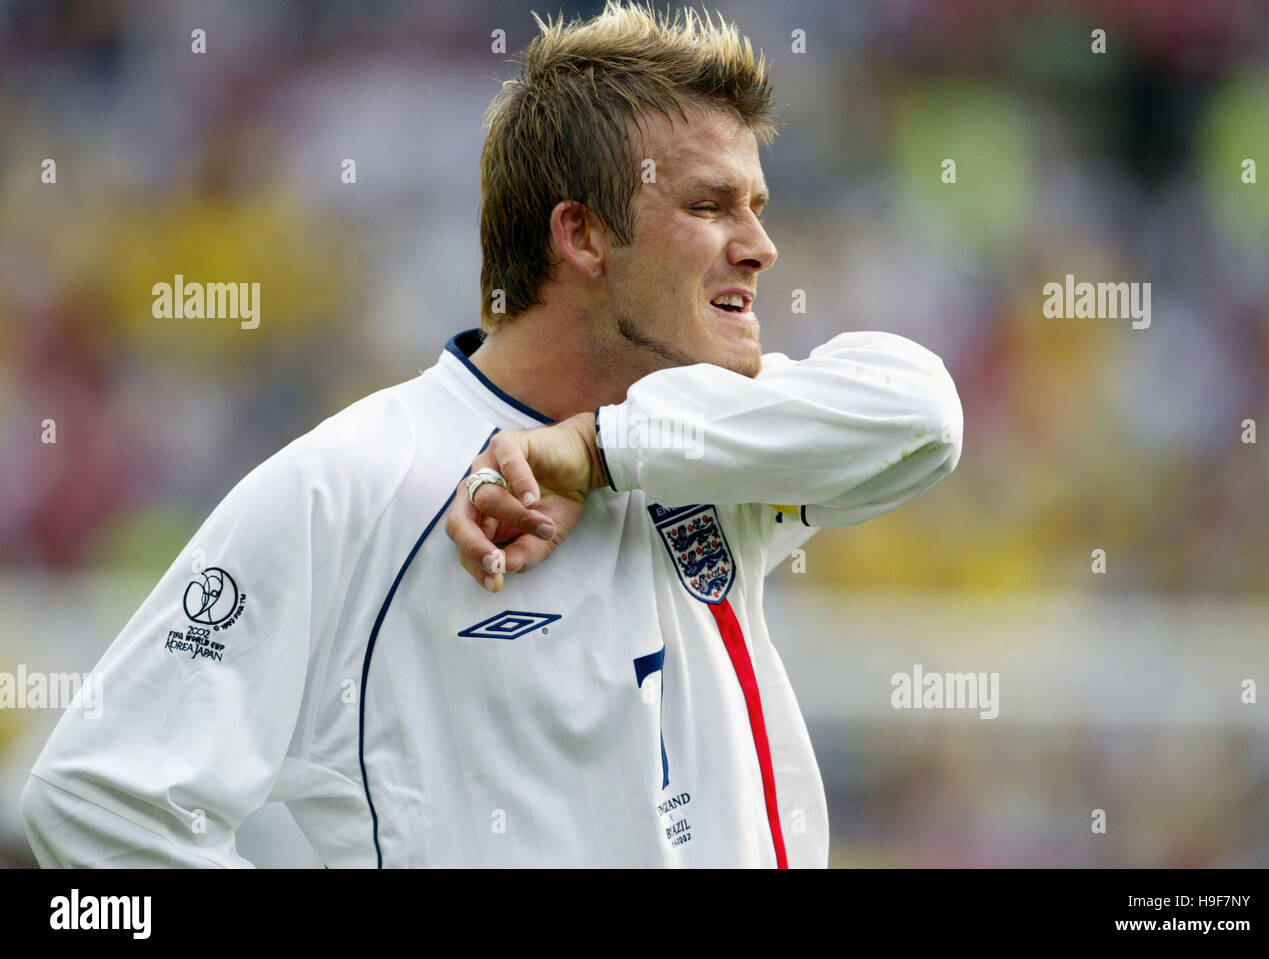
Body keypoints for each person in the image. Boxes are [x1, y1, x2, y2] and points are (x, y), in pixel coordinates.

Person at [20, 1, 962, 868]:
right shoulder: (356, 480)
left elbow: (924, 417)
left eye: (758, 206)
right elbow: (98, 799)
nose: (760, 245)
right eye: (711, 205)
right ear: (582, 236)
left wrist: (596, 452)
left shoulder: (706, 436)